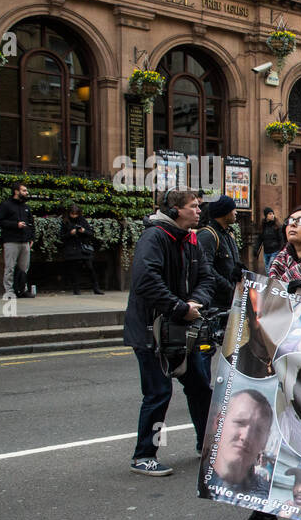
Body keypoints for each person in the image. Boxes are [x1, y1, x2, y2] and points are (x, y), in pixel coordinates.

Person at [123, 188, 214, 477]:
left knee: (199, 386)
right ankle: (144, 455)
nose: (199, 211)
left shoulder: (190, 239)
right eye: (194, 206)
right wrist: (179, 307)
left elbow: (206, 278)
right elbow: (145, 281)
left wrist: (194, 303)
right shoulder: (155, 237)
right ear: (175, 210)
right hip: (153, 330)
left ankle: (207, 445)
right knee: (159, 392)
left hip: (182, 329)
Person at [205, 388, 274, 501]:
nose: (246, 436)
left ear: (266, 440)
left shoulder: (268, 497)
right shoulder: (198, 481)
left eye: (258, 429)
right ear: (219, 423)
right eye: (240, 422)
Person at [196, 194, 243, 313]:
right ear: (224, 212)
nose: (236, 212)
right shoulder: (208, 235)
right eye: (233, 209)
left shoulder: (227, 235)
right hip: (214, 304)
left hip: (228, 303)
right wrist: (228, 287)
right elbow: (206, 269)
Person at [0, 182, 36, 298]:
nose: (26, 193)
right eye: (24, 190)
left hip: (25, 241)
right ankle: (9, 291)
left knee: (24, 268)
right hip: (11, 240)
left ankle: (22, 289)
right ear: (16, 191)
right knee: (10, 267)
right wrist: (15, 225)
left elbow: (31, 224)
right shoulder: (6, 205)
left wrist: (32, 238)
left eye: (26, 190)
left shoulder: (26, 207)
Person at [60, 203, 102, 295]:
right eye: (72, 214)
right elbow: (62, 237)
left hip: (83, 247)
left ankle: (96, 287)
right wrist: (70, 233)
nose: (74, 216)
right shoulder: (65, 222)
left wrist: (83, 231)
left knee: (90, 268)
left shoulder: (82, 220)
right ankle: (76, 288)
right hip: (71, 248)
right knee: (74, 269)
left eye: (76, 214)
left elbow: (91, 233)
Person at [253, 207, 285, 274]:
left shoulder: (277, 226)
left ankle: (272, 282)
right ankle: (271, 282)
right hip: (266, 252)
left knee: (270, 268)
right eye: (270, 214)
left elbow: (281, 238)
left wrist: (281, 250)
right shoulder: (263, 226)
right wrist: (256, 249)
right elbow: (260, 239)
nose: (272, 215)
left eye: (273, 214)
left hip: (275, 251)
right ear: (266, 216)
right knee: (267, 269)